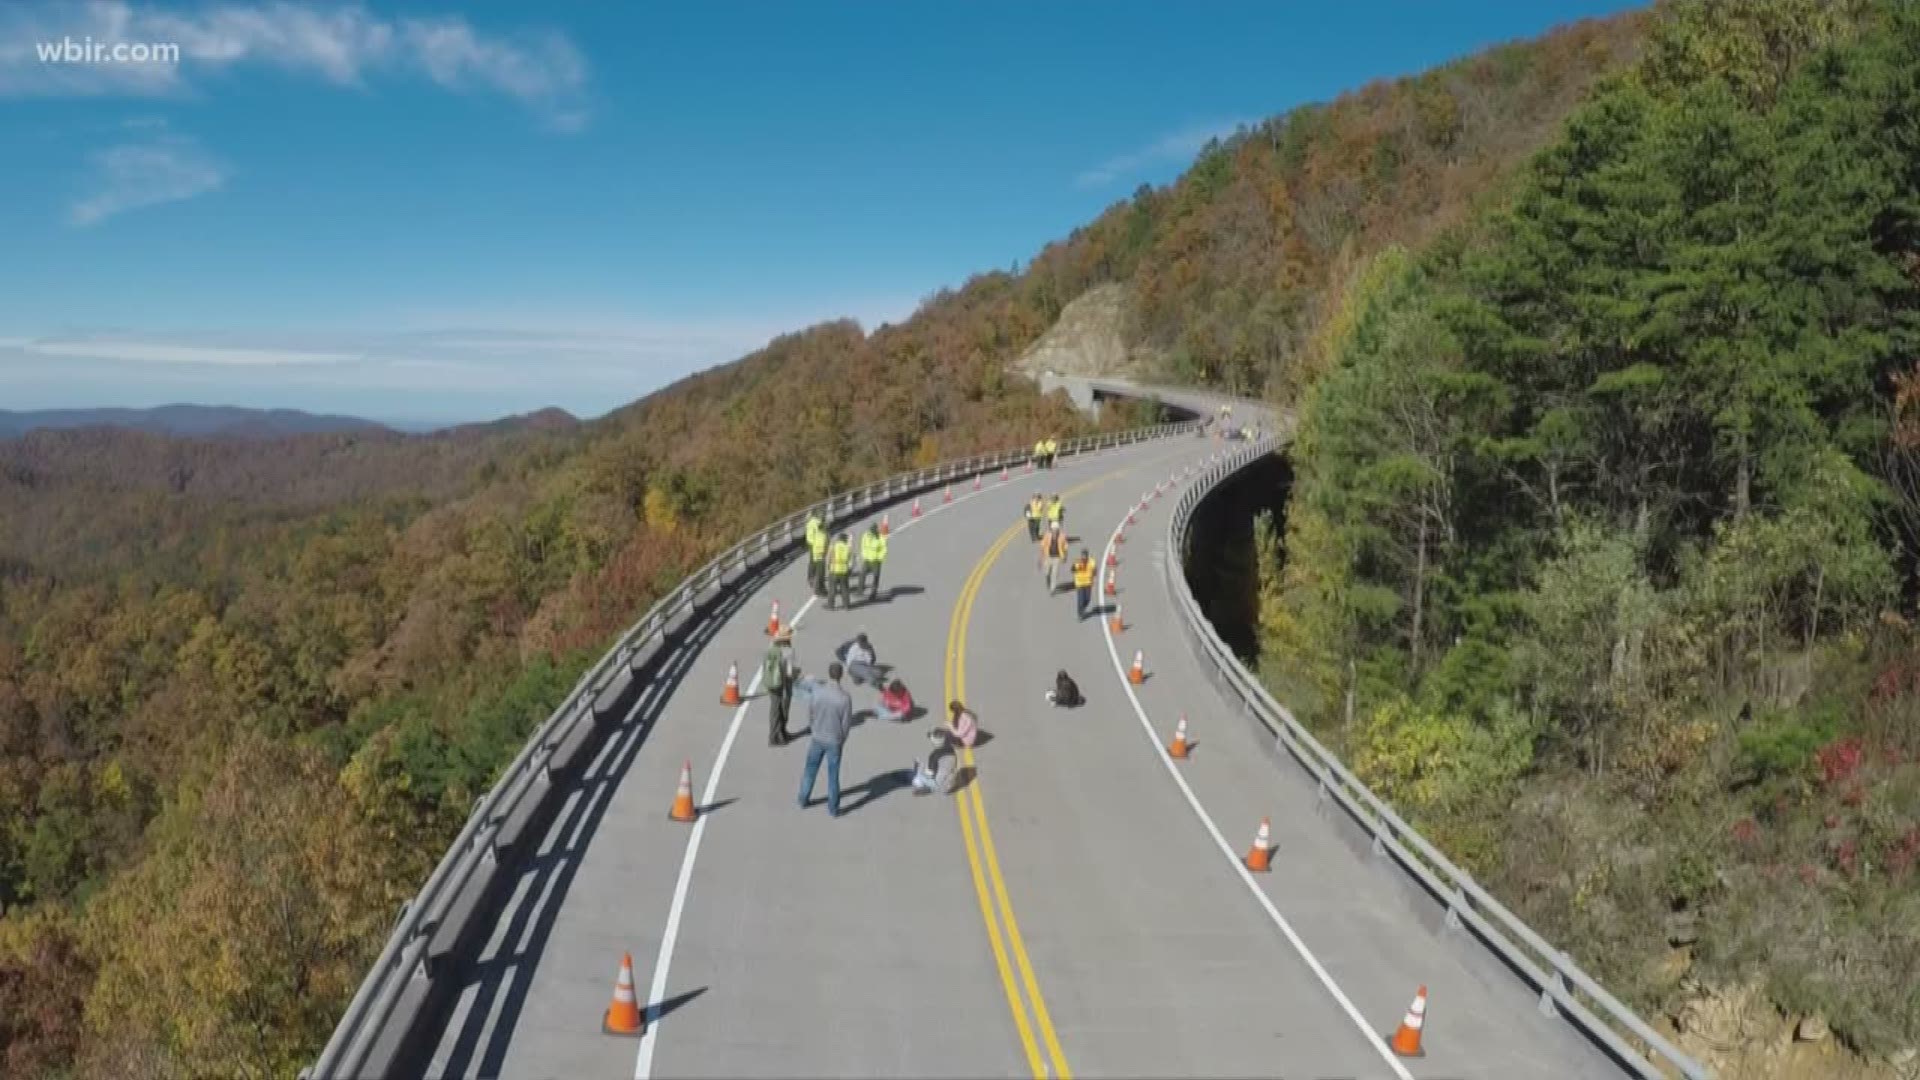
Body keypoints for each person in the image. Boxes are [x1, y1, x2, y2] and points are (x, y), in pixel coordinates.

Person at [796, 661, 853, 817]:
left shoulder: (818, 692)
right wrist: (841, 739)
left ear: (829, 673)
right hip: (834, 740)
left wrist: (814, 729)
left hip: (817, 737)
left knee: (810, 770)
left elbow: (811, 713)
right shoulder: (844, 698)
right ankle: (833, 808)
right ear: (841, 676)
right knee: (833, 775)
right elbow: (846, 724)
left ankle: (803, 799)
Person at [913, 700, 979, 796]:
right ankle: (936, 786)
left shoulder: (934, 755)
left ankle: (929, 788)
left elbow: (929, 773)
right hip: (949, 784)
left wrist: (919, 767)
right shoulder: (951, 750)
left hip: (938, 785)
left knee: (917, 777)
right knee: (942, 770)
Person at [763, 627, 797, 745]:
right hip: (783, 683)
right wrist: (796, 674)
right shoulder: (788, 651)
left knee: (774, 708)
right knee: (783, 708)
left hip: (771, 681)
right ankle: (779, 735)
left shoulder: (771, 648)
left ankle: (775, 734)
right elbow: (789, 673)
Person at [860, 522, 888, 602]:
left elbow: (883, 549)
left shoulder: (880, 537)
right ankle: (860, 590)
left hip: (876, 561)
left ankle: (873, 594)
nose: (871, 532)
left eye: (873, 531)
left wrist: (879, 558)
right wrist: (864, 555)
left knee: (875, 578)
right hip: (867, 559)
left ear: (876, 530)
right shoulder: (866, 535)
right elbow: (863, 545)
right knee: (862, 574)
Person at [1038, 523, 1068, 593]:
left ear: (1058, 529)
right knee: (1047, 572)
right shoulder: (1047, 536)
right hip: (1048, 557)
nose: (1055, 530)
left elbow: (1065, 547)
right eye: (1053, 529)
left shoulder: (1062, 536)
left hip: (1057, 557)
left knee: (1054, 573)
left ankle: (1052, 588)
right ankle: (1048, 580)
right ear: (1051, 529)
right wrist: (1041, 558)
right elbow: (1042, 546)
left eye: (1056, 529)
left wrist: (1065, 557)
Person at [827, 531, 853, 610]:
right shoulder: (847, 547)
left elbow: (829, 558)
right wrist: (849, 569)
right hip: (844, 571)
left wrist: (828, 567)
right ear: (845, 540)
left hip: (834, 570)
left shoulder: (833, 546)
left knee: (832, 589)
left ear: (838, 539)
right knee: (845, 589)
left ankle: (831, 606)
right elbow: (851, 560)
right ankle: (846, 605)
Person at [806, 514, 829, 597]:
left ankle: (812, 579)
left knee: (814, 564)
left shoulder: (812, 523)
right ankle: (819, 589)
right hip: (818, 550)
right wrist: (824, 552)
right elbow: (823, 542)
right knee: (820, 571)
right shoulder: (820, 531)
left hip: (815, 547)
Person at [1071, 547, 1095, 620]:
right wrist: (1074, 568)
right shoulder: (1077, 562)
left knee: (1087, 599)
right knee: (1081, 599)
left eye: (1085, 555)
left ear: (1087, 556)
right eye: (1083, 556)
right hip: (1080, 583)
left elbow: (1094, 570)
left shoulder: (1091, 562)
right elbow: (1072, 569)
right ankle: (1080, 614)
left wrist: (1094, 572)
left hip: (1088, 583)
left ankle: (1082, 609)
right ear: (1081, 556)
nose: (1084, 557)